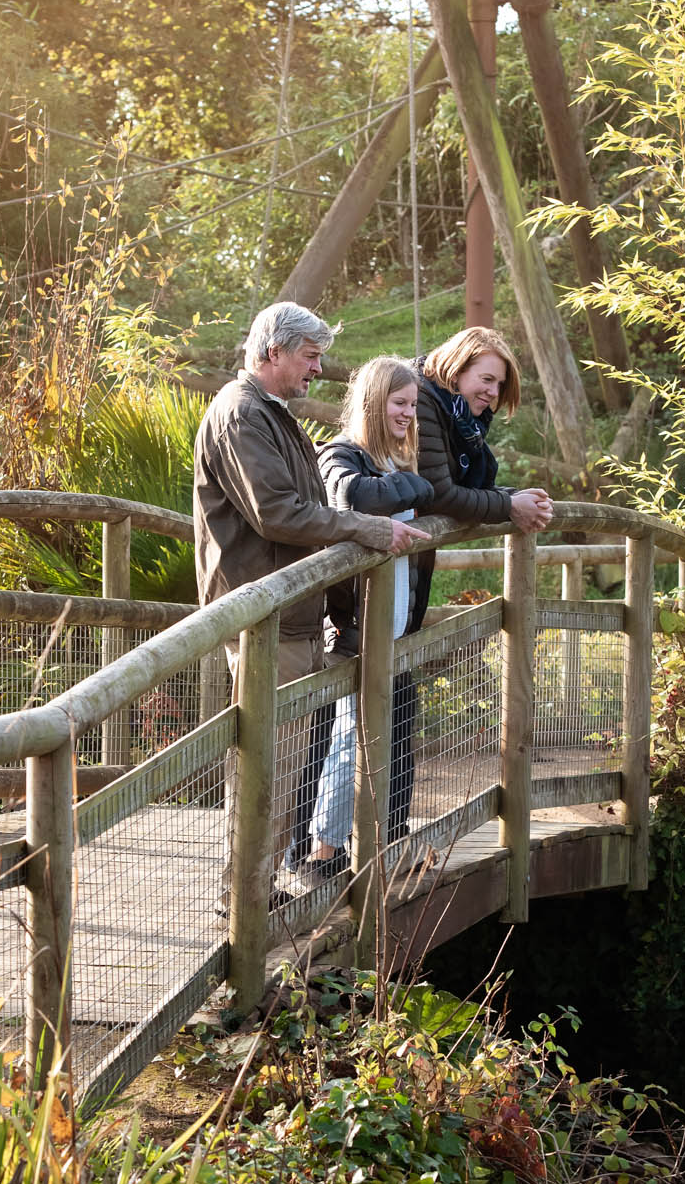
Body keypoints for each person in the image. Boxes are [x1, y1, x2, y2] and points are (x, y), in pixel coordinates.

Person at [193, 302, 428, 888]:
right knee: (266, 763)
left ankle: (255, 890)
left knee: (283, 756)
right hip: (264, 615)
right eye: (309, 356)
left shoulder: (272, 412)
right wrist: (367, 528)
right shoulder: (242, 414)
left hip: (291, 615)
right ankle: (242, 897)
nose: (317, 369)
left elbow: (306, 508)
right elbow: (277, 514)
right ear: (272, 351)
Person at [292, 357, 433, 880]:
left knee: (392, 734)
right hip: (354, 626)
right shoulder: (342, 454)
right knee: (349, 734)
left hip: (395, 620)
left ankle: (383, 843)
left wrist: (416, 484)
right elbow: (355, 498)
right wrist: (418, 489)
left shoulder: (398, 461)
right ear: (374, 403)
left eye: (413, 405)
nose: (407, 414)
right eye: (400, 404)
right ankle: (322, 852)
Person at [411, 327, 553, 611]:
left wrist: (516, 498)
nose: (493, 392)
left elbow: (464, 487)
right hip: (388, 536)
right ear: (456, 369)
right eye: (487, 379)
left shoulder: (461, 417)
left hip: (416, 546)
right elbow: (437, 492)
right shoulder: (419, 400)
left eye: (499, 384)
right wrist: (509, 505)